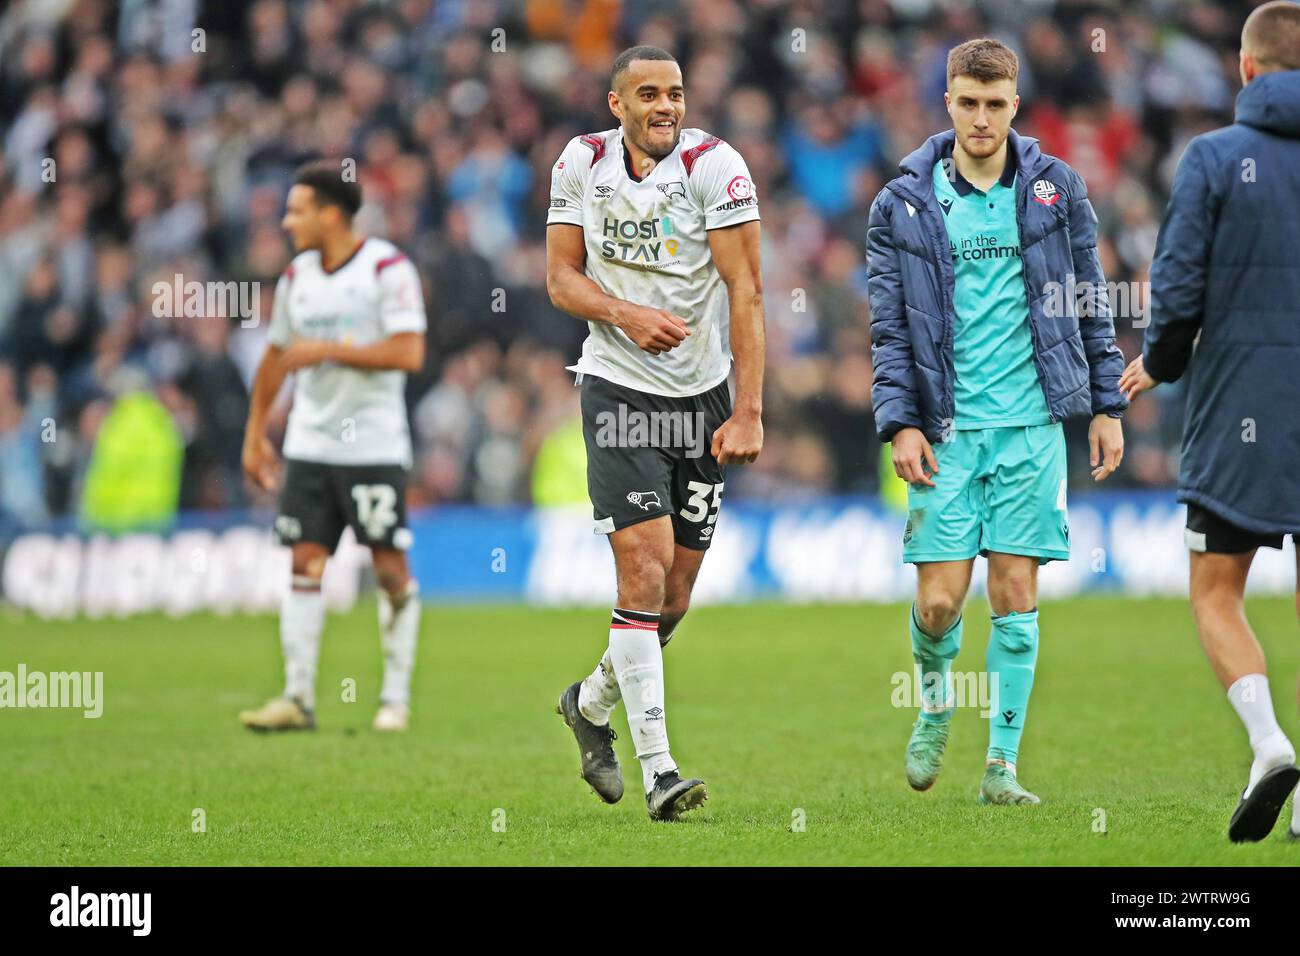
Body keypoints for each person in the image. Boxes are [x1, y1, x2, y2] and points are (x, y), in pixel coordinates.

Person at [867, 38, 1126, 805]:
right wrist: (900, 423)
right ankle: (936, 706)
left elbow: (1089, 299)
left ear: (1016, 105)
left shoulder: (1056, 189)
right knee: (940, 602)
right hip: (946, 429)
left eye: (996, 103)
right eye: (968, 102)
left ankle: (1001, 768)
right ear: (947, 102)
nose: (982, 118)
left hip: (1031, 426)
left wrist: (1107, 403)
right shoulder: (903, 202)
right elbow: (889, 327)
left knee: (1015, 594)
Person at [545, 45, 765, 820]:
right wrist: (625, 314)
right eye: (648, 94)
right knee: (642, 569)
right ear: (617, 105)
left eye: (675, 92)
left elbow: (747, 289)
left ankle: (590, 704)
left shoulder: (716, 166)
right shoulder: (580, 162)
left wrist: (748, 408)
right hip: (615, 388)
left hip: (701, 400)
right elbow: (561, 276)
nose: (666, 105)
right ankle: (661, 772)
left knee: (672, 599)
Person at [1120, 1, 1300, 842]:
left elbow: (1179, 282)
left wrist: (1160, 363)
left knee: (1215, 593)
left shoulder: (1215, 157)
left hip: (1242, 407)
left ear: (1246, 68)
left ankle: (1269, 744)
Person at [239, 160, 427, 734]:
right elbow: (276, 357)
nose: (287, 221)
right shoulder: (297, 277)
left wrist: (328, 350)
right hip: (310, 444)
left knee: (390, 569)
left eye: (297, 210)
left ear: (329, 213)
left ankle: (394, 697)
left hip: (372, 445)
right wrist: (254, 434)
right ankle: (297, 697)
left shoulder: (387, 269)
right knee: (303, 562)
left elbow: (408, 353)